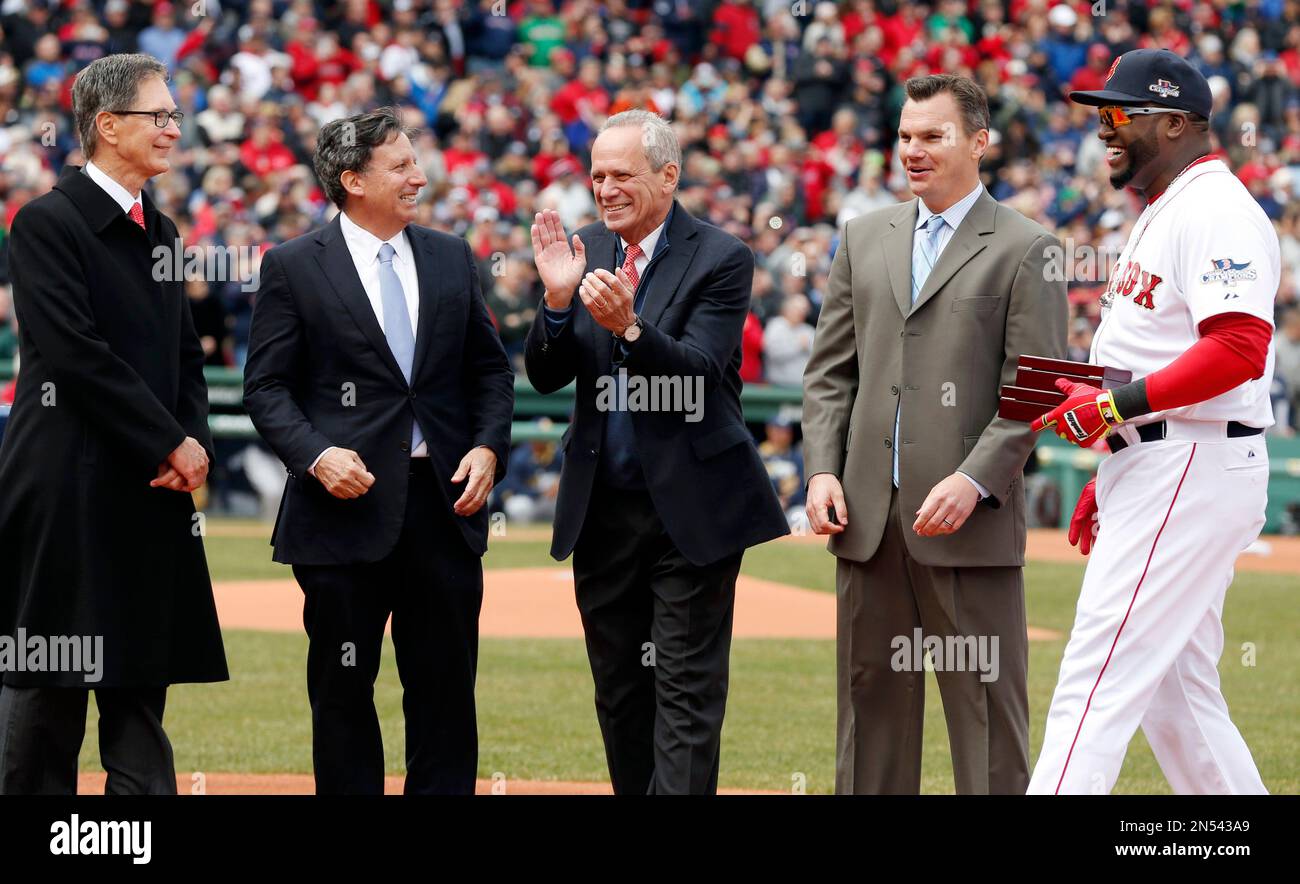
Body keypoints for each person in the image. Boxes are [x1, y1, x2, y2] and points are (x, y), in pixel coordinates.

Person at [802, 74, 1068, 794]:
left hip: (968, 525)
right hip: (866, 522)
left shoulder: (1030, 247)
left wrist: (976, 476)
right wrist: (822, 470)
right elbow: (830, 374)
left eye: (933, 136)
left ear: (979, 142)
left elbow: (1037, 390)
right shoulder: (861, 238)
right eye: (906, 136)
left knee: (986, 726)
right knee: (870, 720)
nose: (912, 151)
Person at [243, 107, 514, 795]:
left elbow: (489, 372)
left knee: (447, 696)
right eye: (401, 166)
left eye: (416, 162)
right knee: (341, 691)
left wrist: (486, 449)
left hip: (444, 507)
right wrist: (316, 456)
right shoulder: (293, 266)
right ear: (352, 178)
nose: (420, 177)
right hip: (341, 511)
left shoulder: (452, 256)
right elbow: (267, 388)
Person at [1028, 49, 1275, 795]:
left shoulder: (1215, 208)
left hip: (1191, 459)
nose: (1102, 128)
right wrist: (1117, 450)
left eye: (1117, 115)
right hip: (1167, 457)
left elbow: (1239, 347)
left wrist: (1113, 412)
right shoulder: (1171, 206)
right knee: (1176, 694)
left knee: (1095, 679)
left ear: (1174, 122)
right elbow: (1157, 353)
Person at [524, 109, 788, 795]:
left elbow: (701, 372)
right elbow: (547, 375)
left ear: (668, 176)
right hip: (601, 510)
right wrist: (556, 303)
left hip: (690, 512)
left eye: (622, 175)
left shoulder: (722, 257)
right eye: (596, 175)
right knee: (619, 689)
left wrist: (631, 331)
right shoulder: (582, 248)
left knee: (685, 691)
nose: (605, 188)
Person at [0, 53, 228, 794]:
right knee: (51, 691)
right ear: (106, 125)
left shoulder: (159, 230)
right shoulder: (46, 222)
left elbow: (184, 360)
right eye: (157, 115)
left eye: (173, 115)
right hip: (65, 485)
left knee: (139, 684)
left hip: (147, 488)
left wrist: (192, 443)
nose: (172, 128)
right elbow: (74, 355)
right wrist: (168, 441)